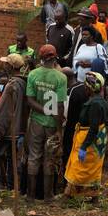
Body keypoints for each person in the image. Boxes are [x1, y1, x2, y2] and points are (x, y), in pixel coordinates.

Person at [24, 44, 67, 199]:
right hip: (51, 124)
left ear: (41, 58)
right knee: (49, 158)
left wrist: (42, 110)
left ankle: (30, 195)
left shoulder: (33, 74)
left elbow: (29, 100)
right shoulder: (61, 77)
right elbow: (60, 105)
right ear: (55, 57)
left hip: (35, 121)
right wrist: (59, 130)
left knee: (34, 156)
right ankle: (48, 196)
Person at [0, 53, 27, 199]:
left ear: (10, 66)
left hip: (8, 129)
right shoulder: (23, 82)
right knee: (12, 160)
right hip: (17, 130)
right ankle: (11, 190)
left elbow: (6, 111)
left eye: (6, 63)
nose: (4, 65)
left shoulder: (12, 85)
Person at [64, 72, 108, 200]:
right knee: (91, 168)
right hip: (97, 139)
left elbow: (94, 127)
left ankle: (71, 194)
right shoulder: (102, 101)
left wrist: (84, 146)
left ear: (89, 88)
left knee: (79, 168)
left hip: (89, 140)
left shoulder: (94, 104)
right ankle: (92, 195)